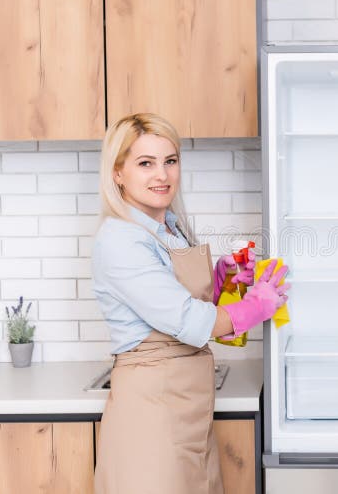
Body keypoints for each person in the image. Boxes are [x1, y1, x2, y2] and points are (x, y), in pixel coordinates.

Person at [91, 113, 289, 494]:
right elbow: (188, 319)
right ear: (118, 173)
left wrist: (223, 278)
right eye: (145, 163)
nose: (161, 175)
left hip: (184, 406)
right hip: (151, 410)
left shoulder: (168, 226)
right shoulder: (121, 240)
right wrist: (257, 307)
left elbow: (177, 299)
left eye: (170, 160)